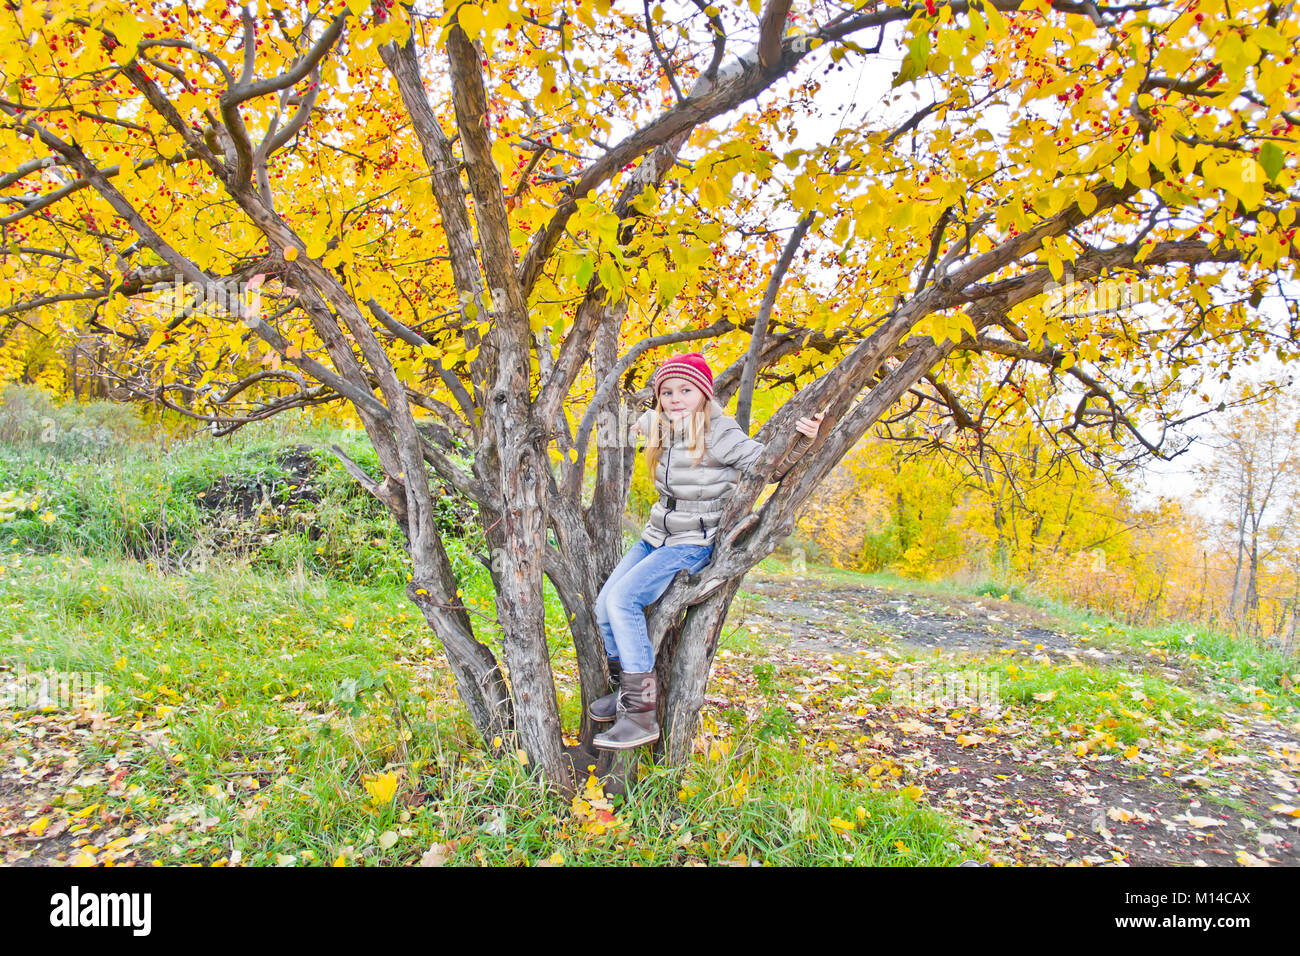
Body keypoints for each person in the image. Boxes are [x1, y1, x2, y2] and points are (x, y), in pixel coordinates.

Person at [590, 351, 825, 750]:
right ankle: (625, 691)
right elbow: (645, 421)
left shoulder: (721, 432)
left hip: (691, 542)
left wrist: (806, 439)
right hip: (656, 534)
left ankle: (641, 715)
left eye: (685, 390)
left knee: (624, 601)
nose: (675, 398)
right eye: (666, 392)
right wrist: (635, 420)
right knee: (602, 606)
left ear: (703, 393)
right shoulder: (664, 423)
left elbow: (772, 468)